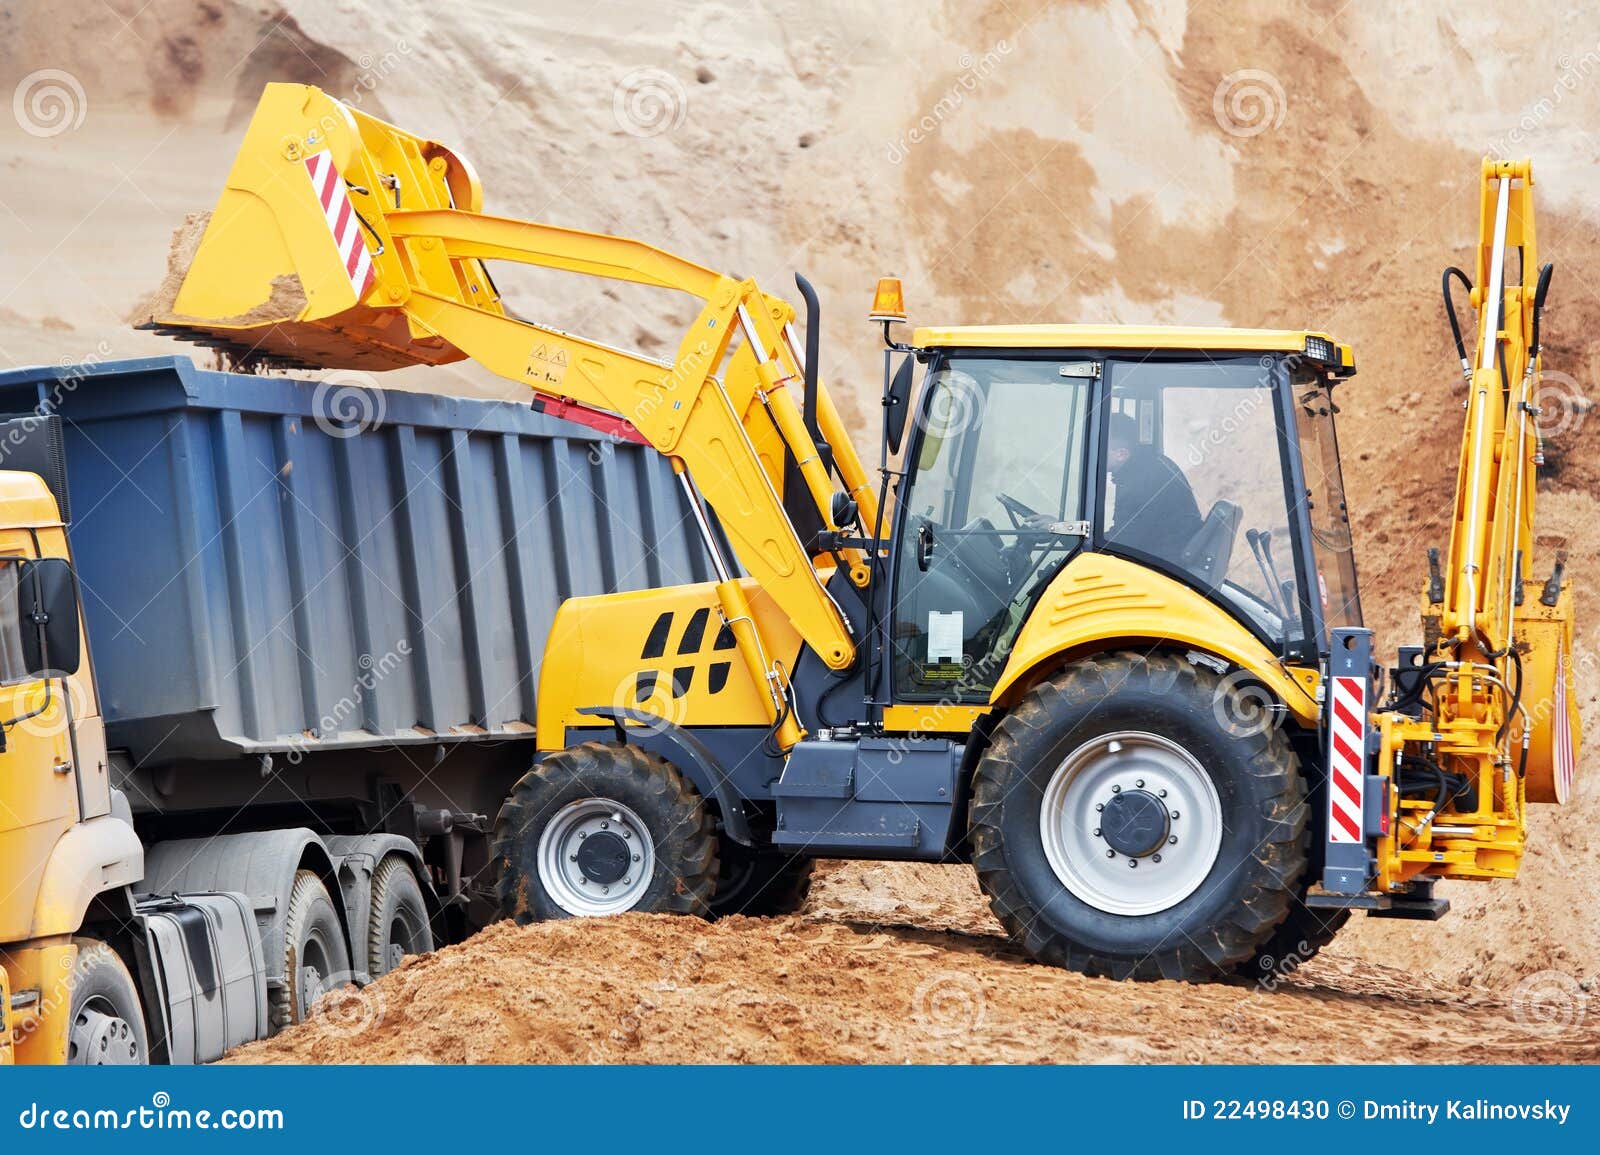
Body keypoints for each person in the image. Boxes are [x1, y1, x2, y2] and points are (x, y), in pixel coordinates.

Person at [1101, 411, 1201, 556]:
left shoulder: (1139, 483)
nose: (1095, 453)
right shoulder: (1151, 464)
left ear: (1121, 454)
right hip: (1168, 551)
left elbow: (1124, 542)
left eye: (1100, 448)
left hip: (1165, 559)